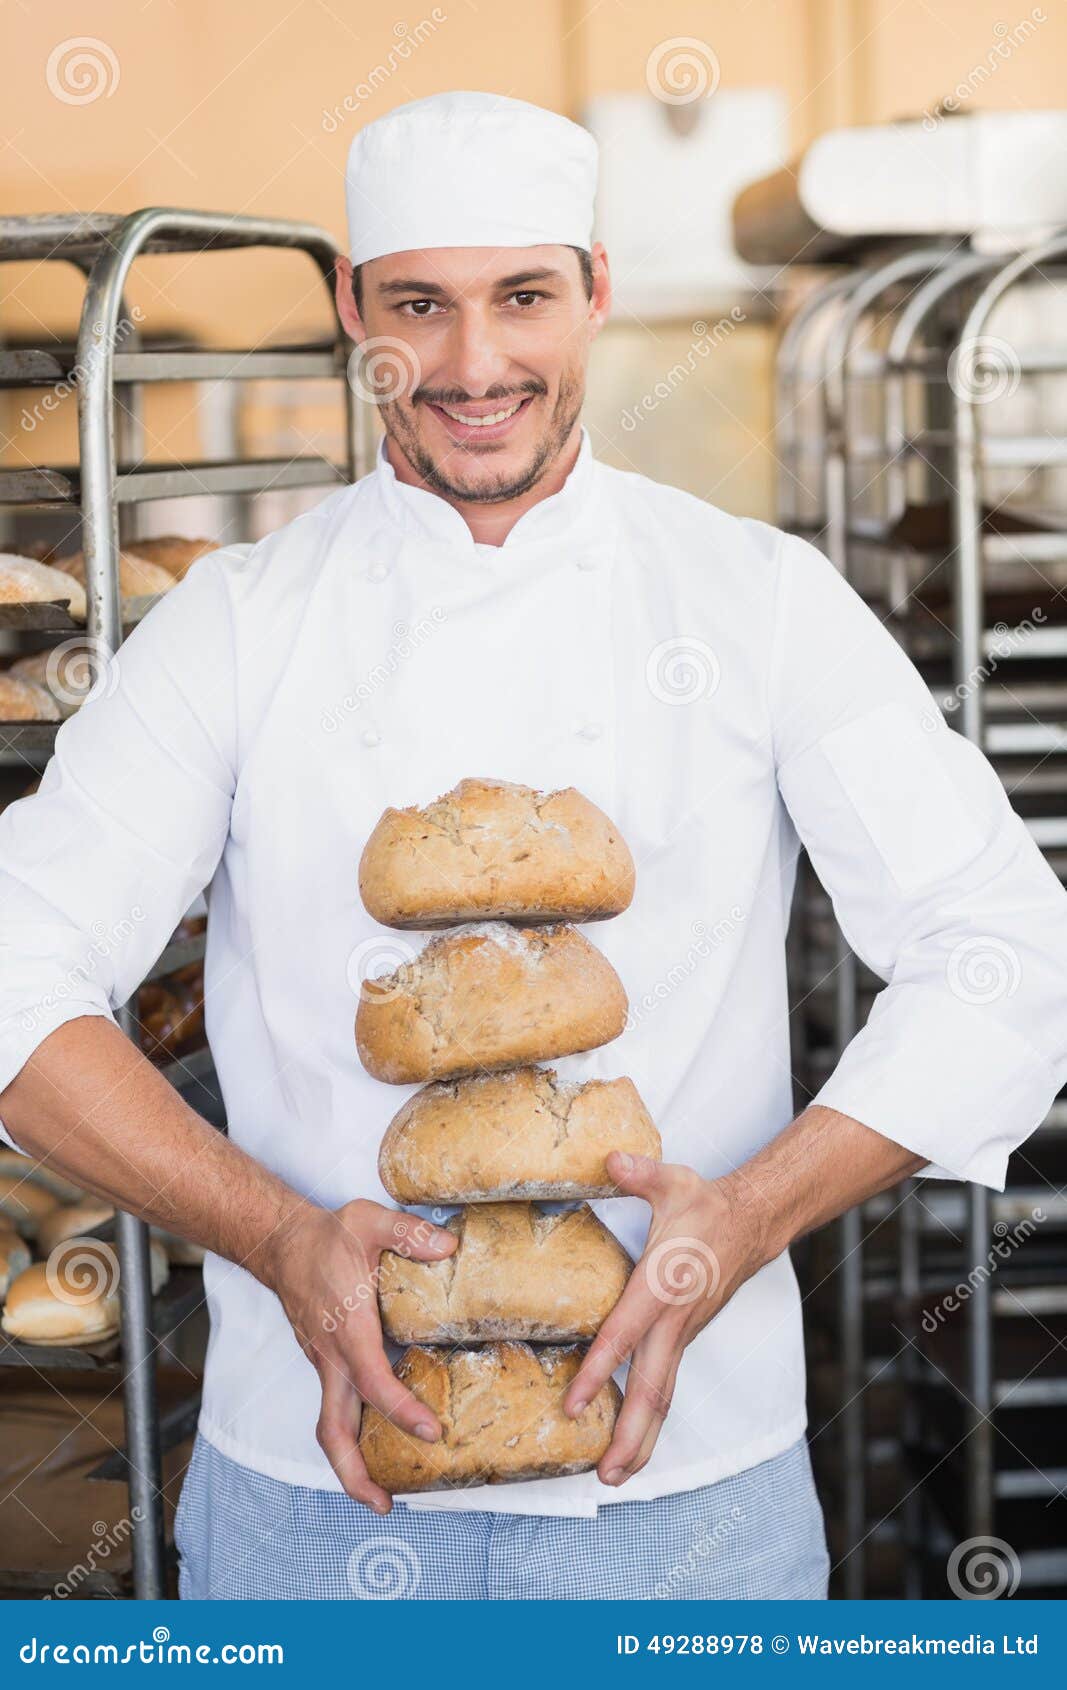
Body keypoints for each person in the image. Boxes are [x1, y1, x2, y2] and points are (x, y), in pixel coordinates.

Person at [1, 91, 1064, 1603]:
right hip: (318, 1495)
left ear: (600, 294)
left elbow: (1005, 948)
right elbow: (12, 962)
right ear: (357, 313)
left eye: (523, 298)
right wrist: (276, 1235)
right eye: (418, 306)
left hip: (692, 1496)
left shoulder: (756, 601)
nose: (474, 364)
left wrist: (751, 1212)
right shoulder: (239, 628)